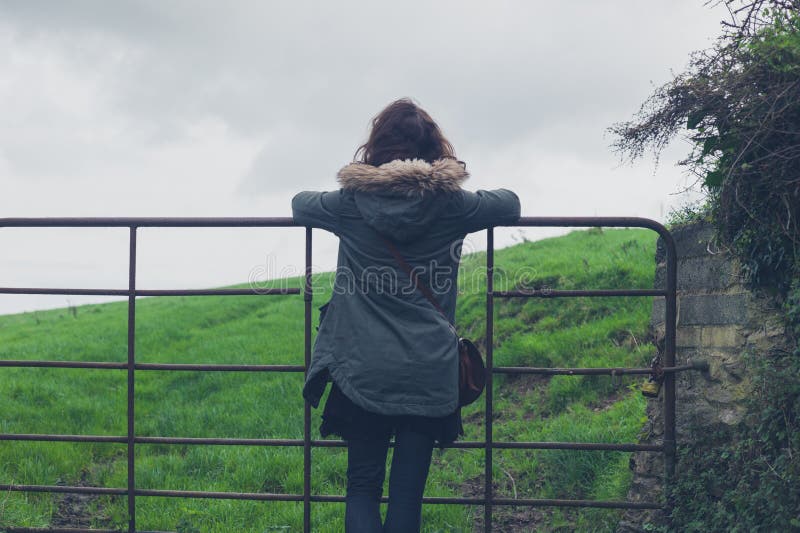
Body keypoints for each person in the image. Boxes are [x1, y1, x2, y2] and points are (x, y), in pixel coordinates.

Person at [292, 98, 520, 532]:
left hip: (362, 369)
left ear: (375, 148)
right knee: (407, 496)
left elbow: (299, 203)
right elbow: (509, 203)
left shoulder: (348, 203)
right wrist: (450, 179)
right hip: (427, 369)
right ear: (434, 148)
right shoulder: (452, 205)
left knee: (361, 487)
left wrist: (361, 184)